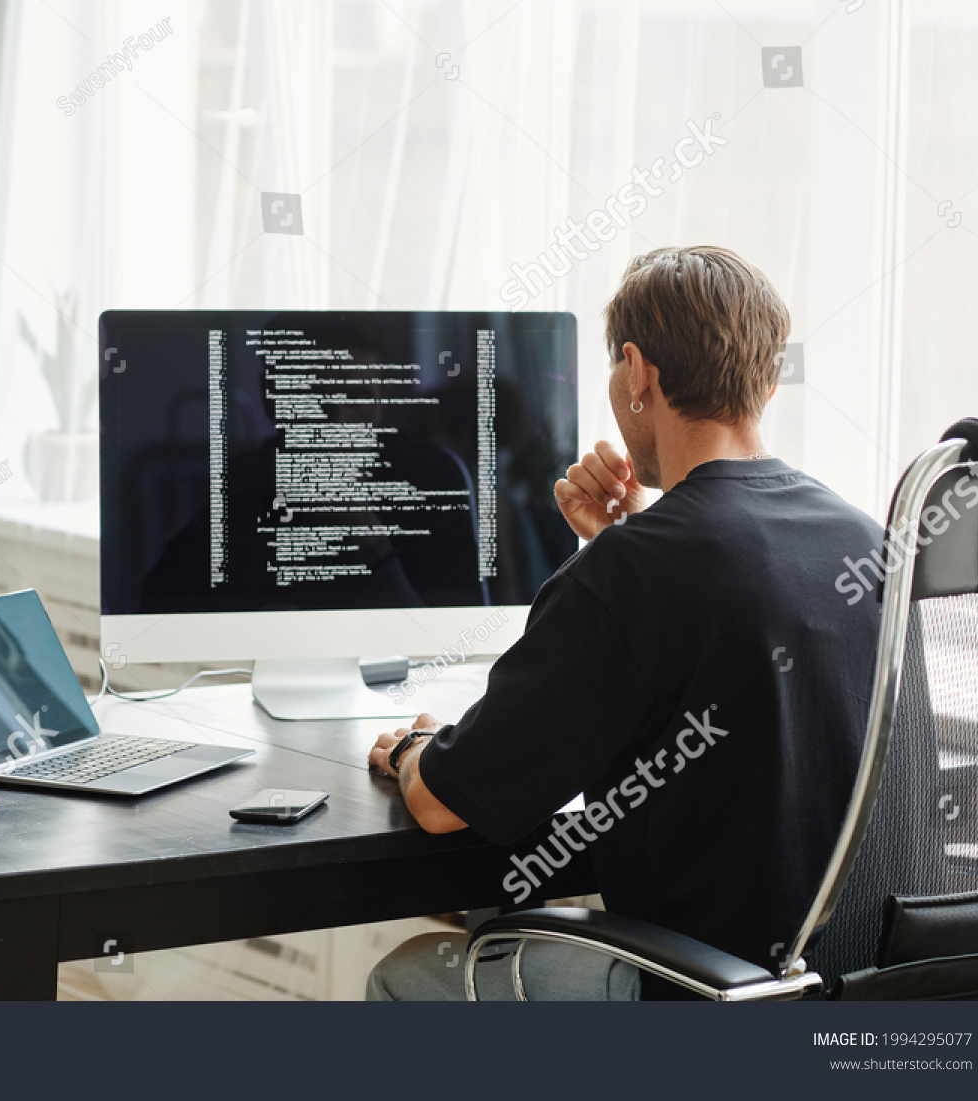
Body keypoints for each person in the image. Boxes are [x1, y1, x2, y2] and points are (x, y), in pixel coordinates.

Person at [364, 246, 884, 1000]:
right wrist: (629, 543)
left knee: (407, 975)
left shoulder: (636, 570)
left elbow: (442, 805)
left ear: (636, 371)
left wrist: (415, 749)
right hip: (868, 993)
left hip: (710, 997)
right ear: (768, 381)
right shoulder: (867, 540)